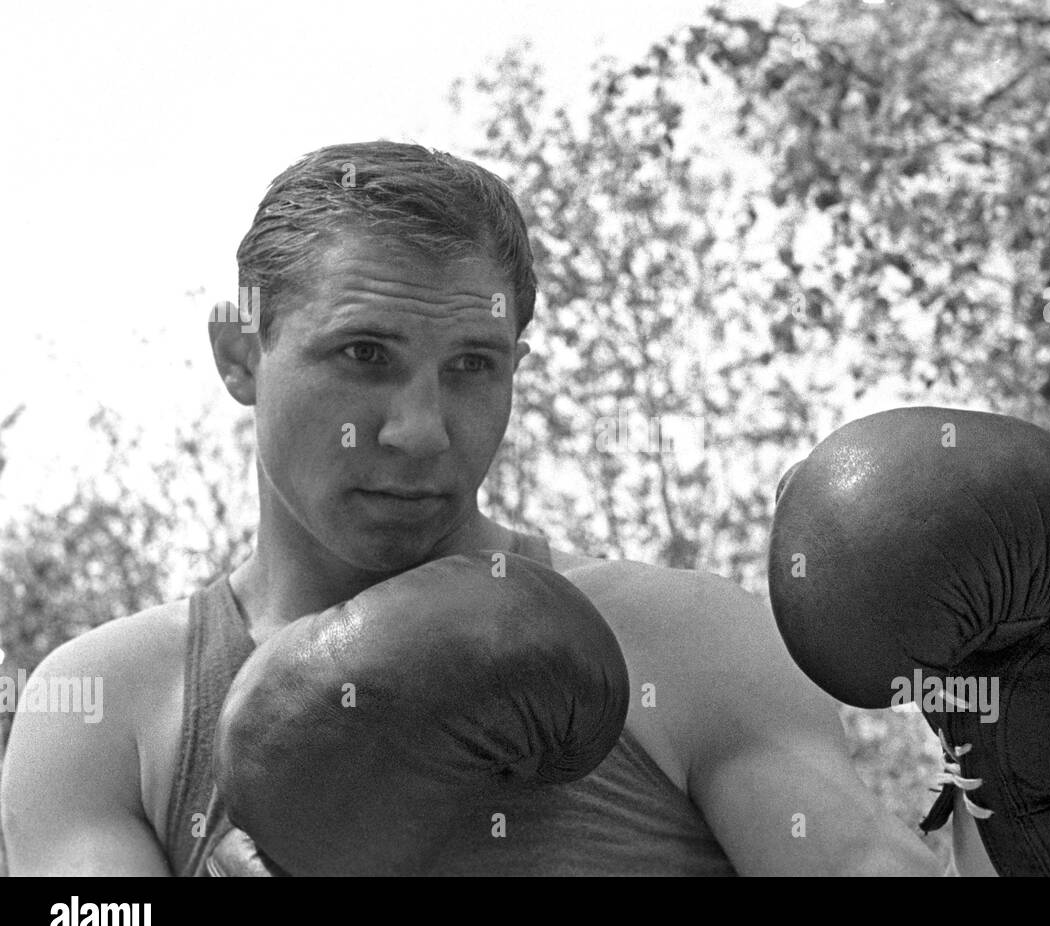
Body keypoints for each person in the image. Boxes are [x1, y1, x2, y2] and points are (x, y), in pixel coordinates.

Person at [1, 141, 991, 876]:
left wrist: (1021, 784)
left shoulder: (683, 641)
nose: (421, 431)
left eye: (473, 367)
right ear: (237, 354)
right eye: (362, 356)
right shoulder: (110, 711)